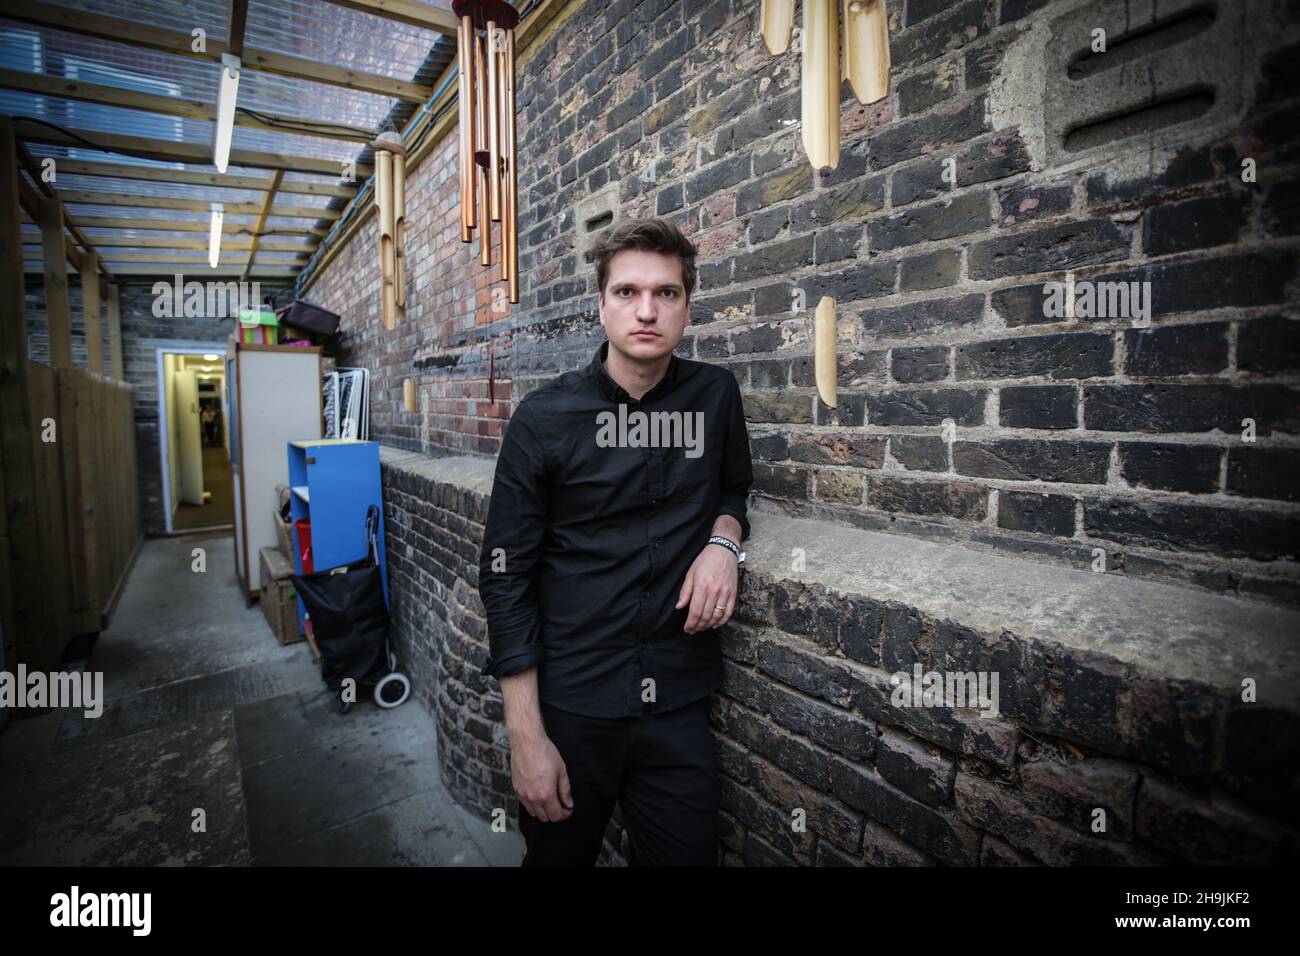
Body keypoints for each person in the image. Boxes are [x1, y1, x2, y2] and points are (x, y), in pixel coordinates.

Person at [478, 217, 754, 866]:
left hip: (677, 700)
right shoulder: (544, 419)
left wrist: (723, 544)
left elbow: (734, 494)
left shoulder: (715, 396)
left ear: (688, 305)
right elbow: (505, 574)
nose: (647, 311)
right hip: (575, 704)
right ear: (601, 306)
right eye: (627, 292)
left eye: (667, 293)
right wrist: (526, 738)